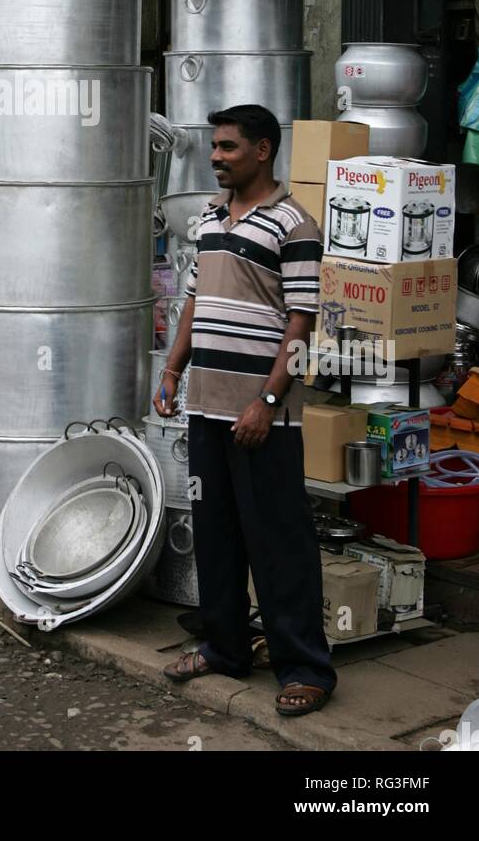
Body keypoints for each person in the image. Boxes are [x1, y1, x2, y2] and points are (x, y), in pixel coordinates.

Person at [157, 103, 336, 718]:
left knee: (280, 541)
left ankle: (306, 667)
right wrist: (173, 369)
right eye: (214, 147)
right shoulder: (208, 220)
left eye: (228, 147)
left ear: (262, 150)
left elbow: (302, 324)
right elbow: (193, 303)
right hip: (205, 407)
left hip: (261, 415)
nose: (215, 157)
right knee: (217, 537)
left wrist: (266, 400)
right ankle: (226, 646)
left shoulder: (295, 225)